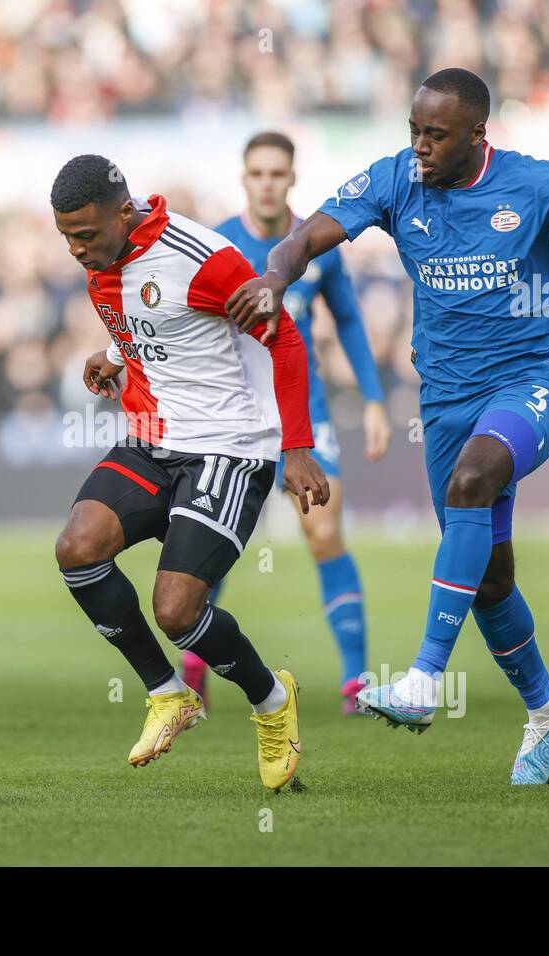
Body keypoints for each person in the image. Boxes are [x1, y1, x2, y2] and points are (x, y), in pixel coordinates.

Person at [226, 69, 549, 784]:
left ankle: (423, 679)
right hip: (445, 403)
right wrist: (275, 277)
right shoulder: (394, 180)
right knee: (488, 580)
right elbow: (304, 238)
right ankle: (546, 708)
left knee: (473, 480)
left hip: (530, 386)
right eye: (414, 131)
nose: (419, 146)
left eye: (435, 135)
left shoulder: (536, 183)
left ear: (478, 135)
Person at [51, 154, 329, 791]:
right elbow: (161, 323)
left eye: (85, 235)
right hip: (154, 437)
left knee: (176, 612)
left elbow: (284, 339)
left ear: (125, 213)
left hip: (228, 447)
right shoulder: (103, 262)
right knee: (77, 549)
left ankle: (270, 701)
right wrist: (115, 355)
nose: (76, 249)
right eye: (66, 236)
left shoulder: (202, 257)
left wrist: (296, 449)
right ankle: (167, 693)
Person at [184, 131, 390, 715]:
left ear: (292, 178)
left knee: (323, 534)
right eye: (258, 173)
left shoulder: (314, 246)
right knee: (211, 547)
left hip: (306, 414)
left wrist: (374, 399)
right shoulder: (217, 244)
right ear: (244, 179)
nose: (268, 184)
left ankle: (355, 682)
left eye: (277, 173)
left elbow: (347, 320)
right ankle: (195, 661)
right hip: (232, 419)